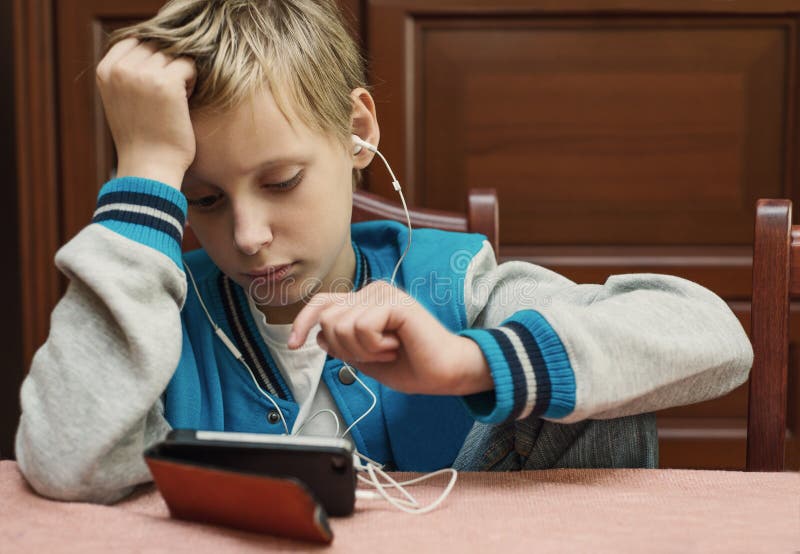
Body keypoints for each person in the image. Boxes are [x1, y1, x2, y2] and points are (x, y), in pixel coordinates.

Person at [15, 0, 752, 505]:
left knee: (595, 388)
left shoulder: (452, 284)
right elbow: (63, 462)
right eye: (202, 199)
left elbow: (711, 337)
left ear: (357, 130)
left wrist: (471, 362)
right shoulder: (156, 321)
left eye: (281, 181)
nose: (247, 236)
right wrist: (144, 178)